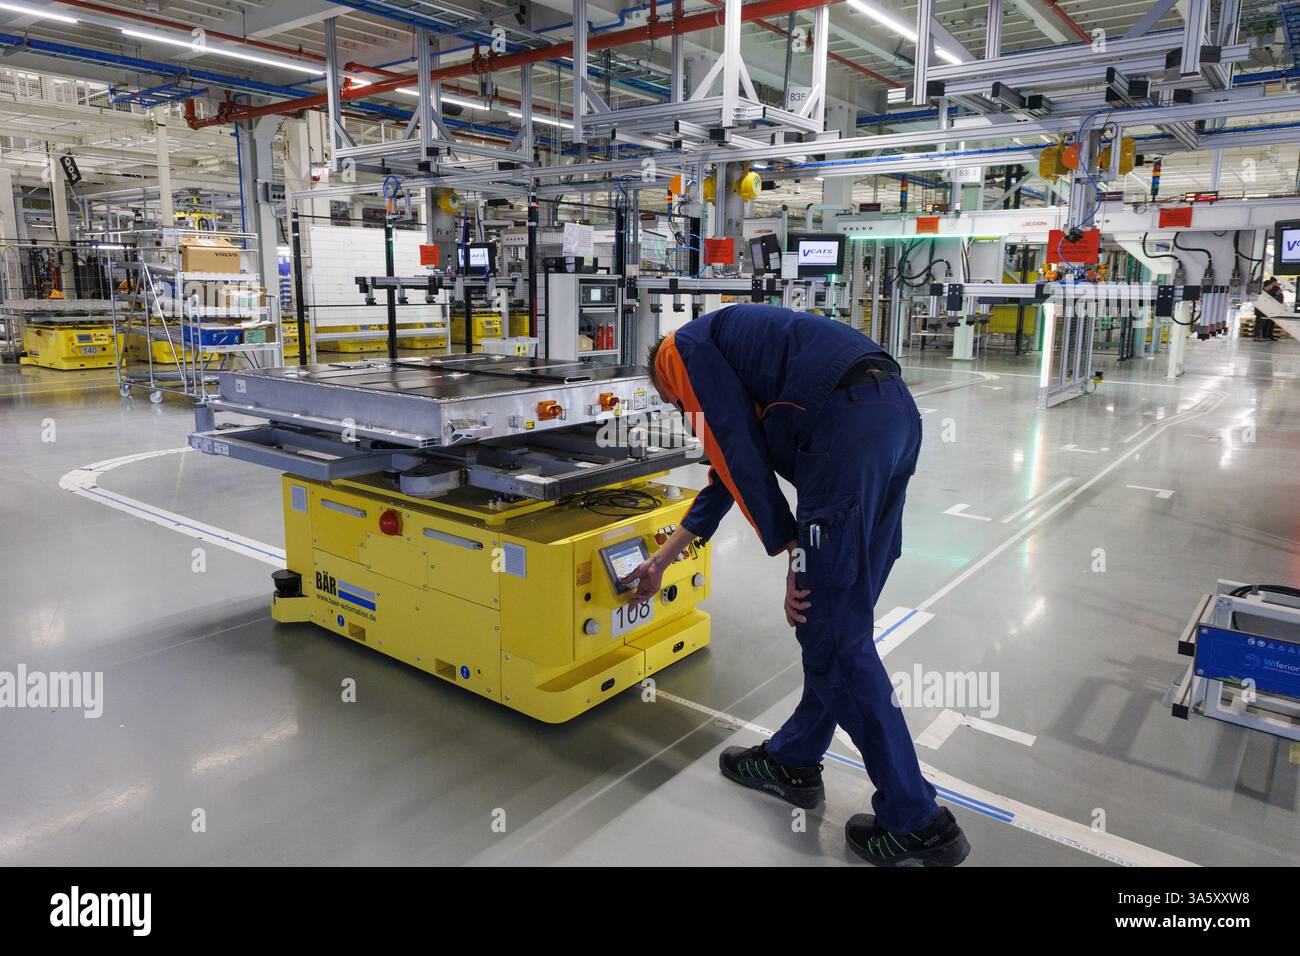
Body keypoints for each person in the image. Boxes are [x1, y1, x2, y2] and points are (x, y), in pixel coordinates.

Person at [623, 303, 970, 867]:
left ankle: (918, 823)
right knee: (839, 626)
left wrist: (794, 552)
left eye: (676, 408)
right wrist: (664, 557)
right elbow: (728, 473)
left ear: (664, 381)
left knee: (831, 633)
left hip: (845, 429)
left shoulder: (678, 353)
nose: (684, 414)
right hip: (893, 415)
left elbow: (734, 449)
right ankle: (794, 758)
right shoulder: (738, 349)